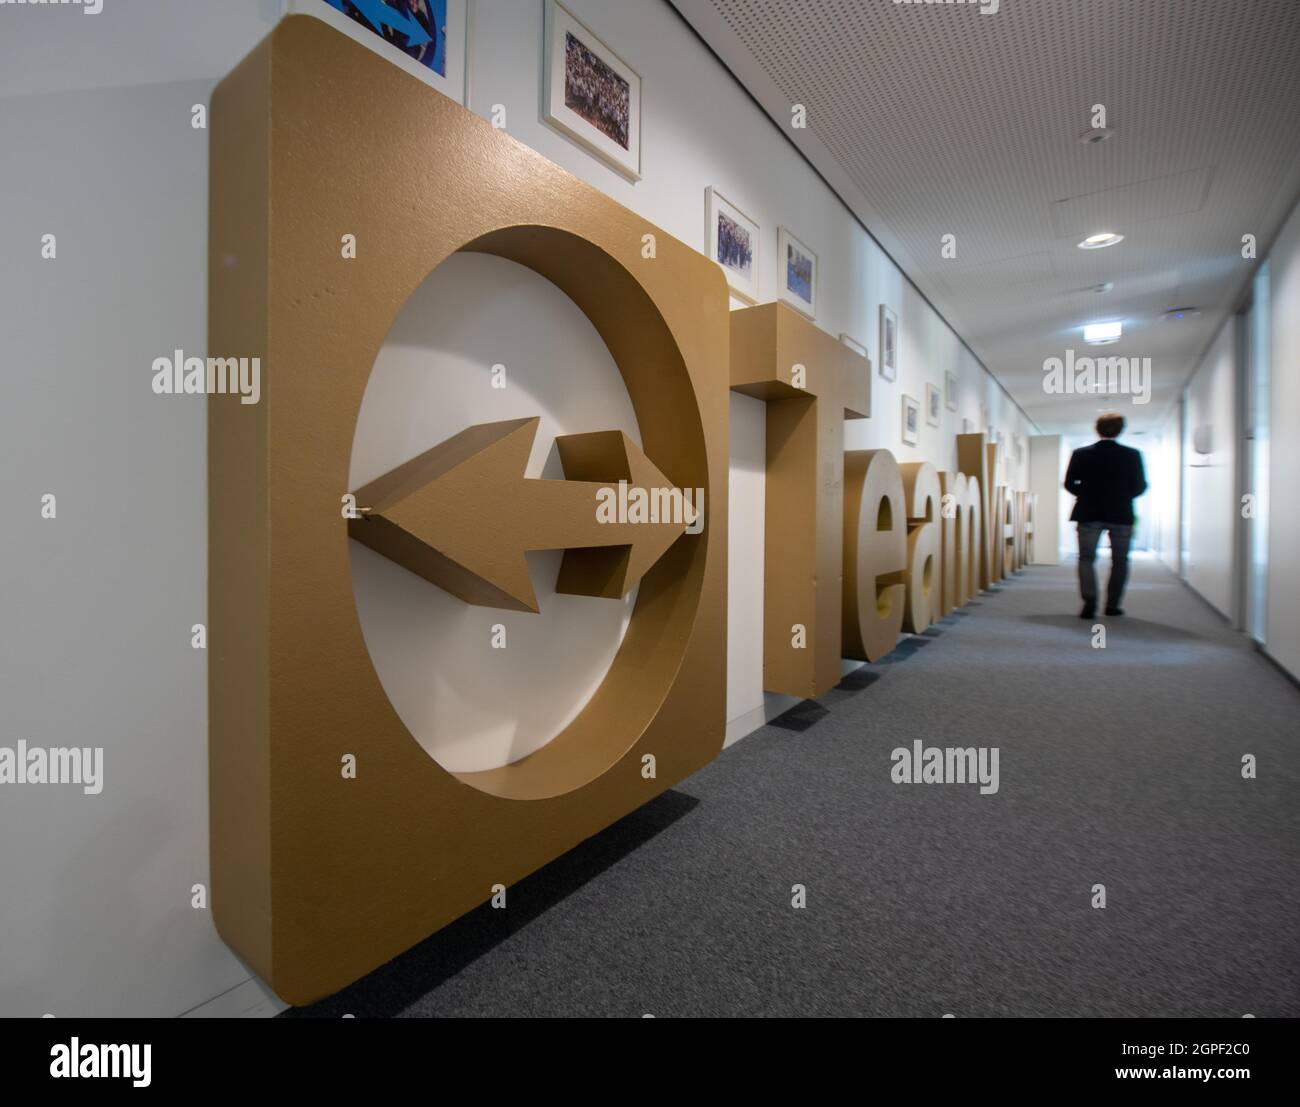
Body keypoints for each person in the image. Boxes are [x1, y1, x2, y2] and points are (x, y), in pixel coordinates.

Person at [1064, 412, 1147, 619]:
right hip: (1120, 512)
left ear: (1097, 429)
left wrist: (1085, 494)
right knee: (1120, 560)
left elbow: (1069, 483)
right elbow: (1140, 486)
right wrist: (1122, 497)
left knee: (1086, 558)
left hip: (1088, 511)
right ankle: (1112, 605)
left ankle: (1089, 601)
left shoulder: (1081, 454)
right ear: (1121, 430)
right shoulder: (1132, 455)